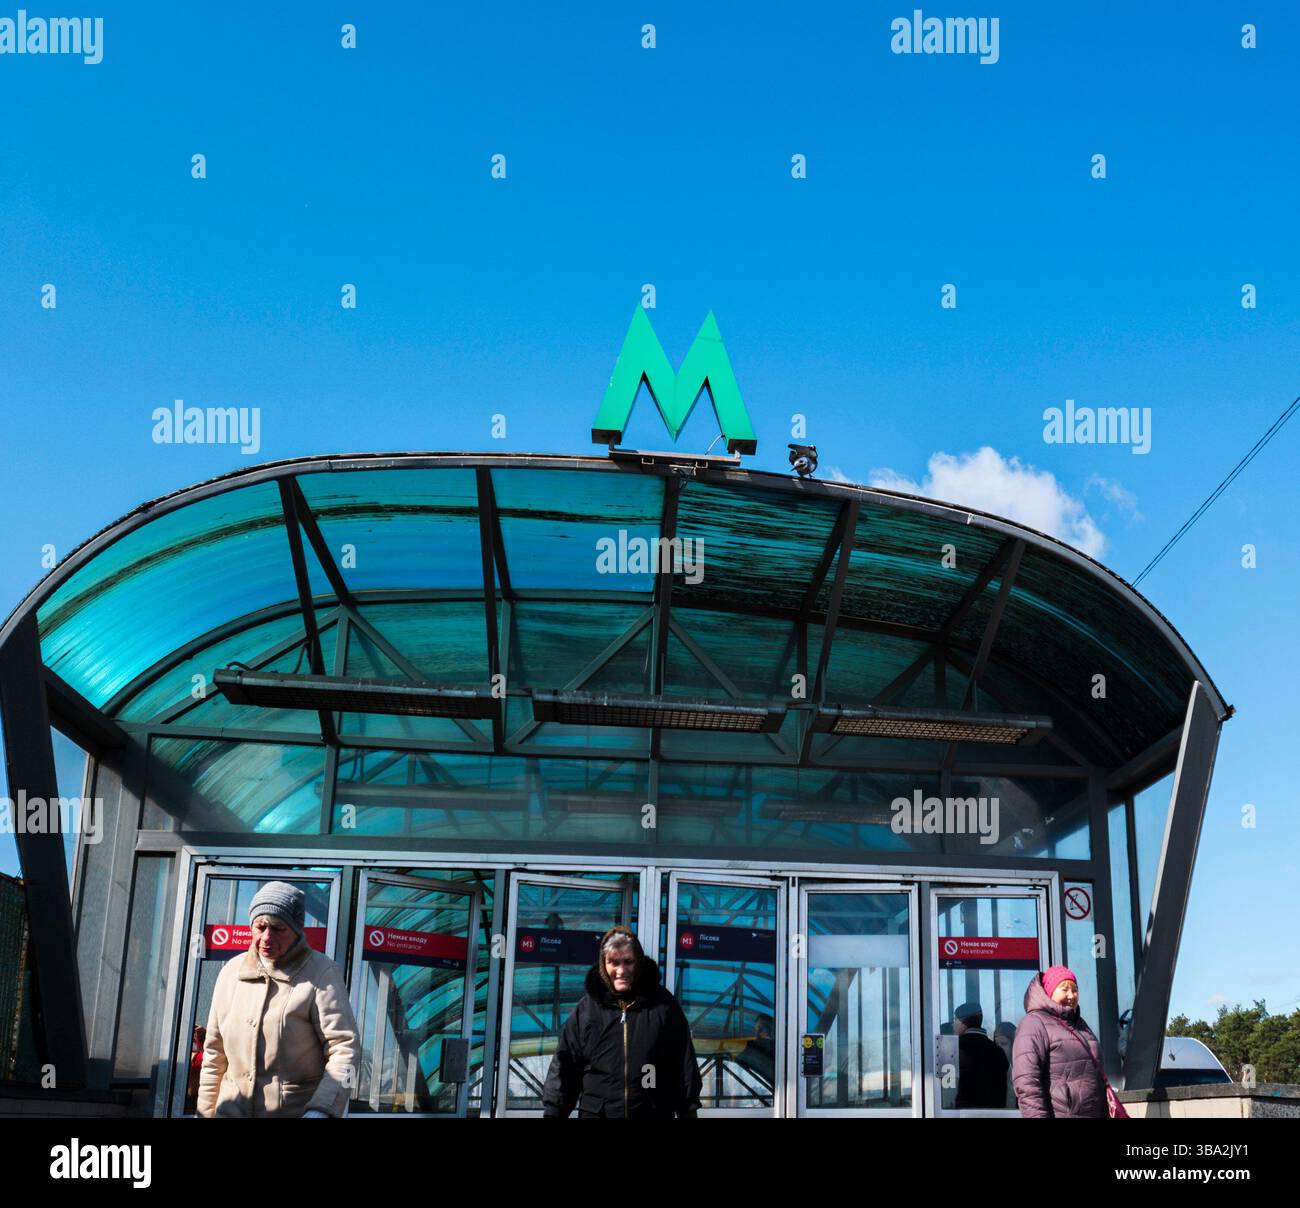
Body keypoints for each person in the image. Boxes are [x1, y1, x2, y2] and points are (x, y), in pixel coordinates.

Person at [197, 881, 358, 1118]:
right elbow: (214, 1055)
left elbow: (345, 1049)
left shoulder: (321, 974)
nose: (266, 937)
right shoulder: (231, 973)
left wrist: (322, 1110)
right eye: (260, 927)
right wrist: (204, 1113)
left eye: (278, 928)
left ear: (296, 930)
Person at [542, 924, 703, 1118]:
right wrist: (553, 1112)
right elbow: (565, 1067)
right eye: (613, 962)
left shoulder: (664, 1006)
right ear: (603, 964)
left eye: (628, 961)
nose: (621, 970)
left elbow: (683, 1064)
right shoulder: (586, 1011)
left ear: (639, 962)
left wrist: (688, 1111)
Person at [1011, 965, 1107, 1118]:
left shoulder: (1080, 1025)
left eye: (1075, 990)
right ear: (1049, 992)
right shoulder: (1034, 1023)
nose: (1071, 995)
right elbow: (1027, 1083)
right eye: (1064, 989)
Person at [952, 1001, 1009, 1109]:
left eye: (955, 1020)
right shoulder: (998, 1052)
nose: (953, 1024)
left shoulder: (956, 1049)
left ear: (963, 1022)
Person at [736, 1012, 776, 1089]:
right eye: (756, 1030)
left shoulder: (768, 1046)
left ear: (770, 1030)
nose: (756, 1034)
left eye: (760, 1029)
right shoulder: (756, 1046)